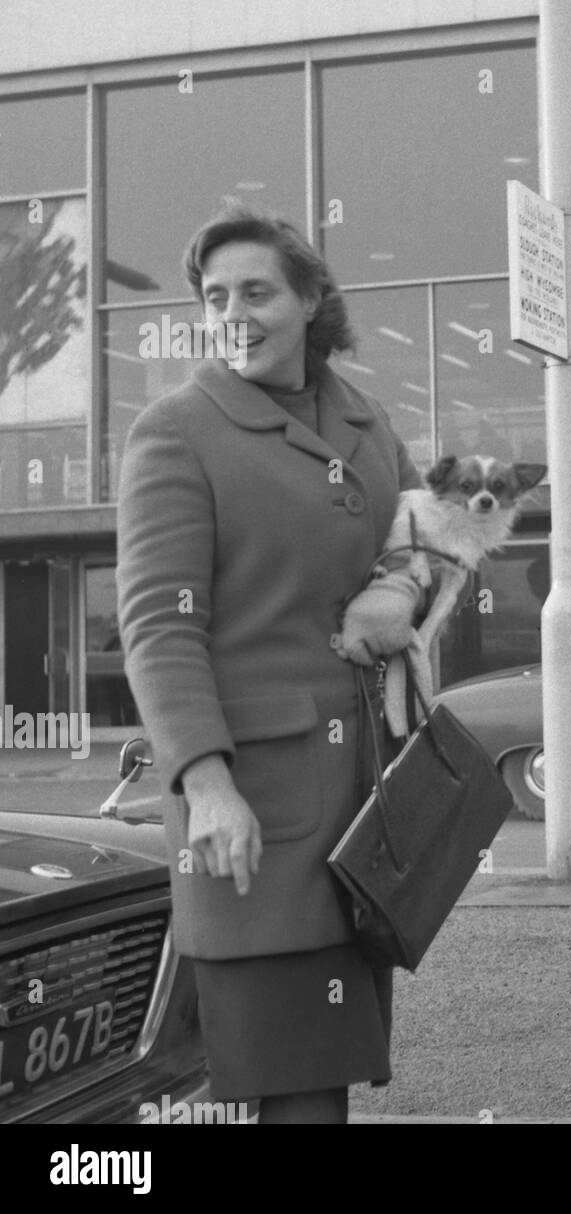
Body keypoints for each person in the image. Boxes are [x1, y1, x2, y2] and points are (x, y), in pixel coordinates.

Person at [116, 207, 421, 1123]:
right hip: (256, 819)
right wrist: (205, 786)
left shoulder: (366, 425)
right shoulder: (176, 431)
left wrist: (401, 591)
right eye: (215, 298)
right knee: (294, 1099)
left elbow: (422, 550)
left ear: (312, 297)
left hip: (364, 807)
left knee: (325, 1083)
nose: (233, 313)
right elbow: (158, 628)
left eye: (256, 291)